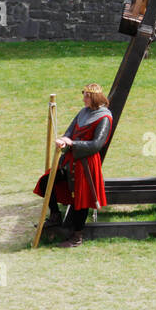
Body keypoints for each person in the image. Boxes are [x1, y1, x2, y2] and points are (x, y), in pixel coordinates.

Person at [33, 83, 113, 248]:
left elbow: (97, 144)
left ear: (94, 98)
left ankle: (77, 236)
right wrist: (63, 140)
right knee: (46, 181)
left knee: (81, 200)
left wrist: (73, 144)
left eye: (86, 96)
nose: (83, 98)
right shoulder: (83, 112)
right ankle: (55, 216)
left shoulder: (105, 117)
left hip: (86, 164)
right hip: (70, 161)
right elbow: (70, 131)